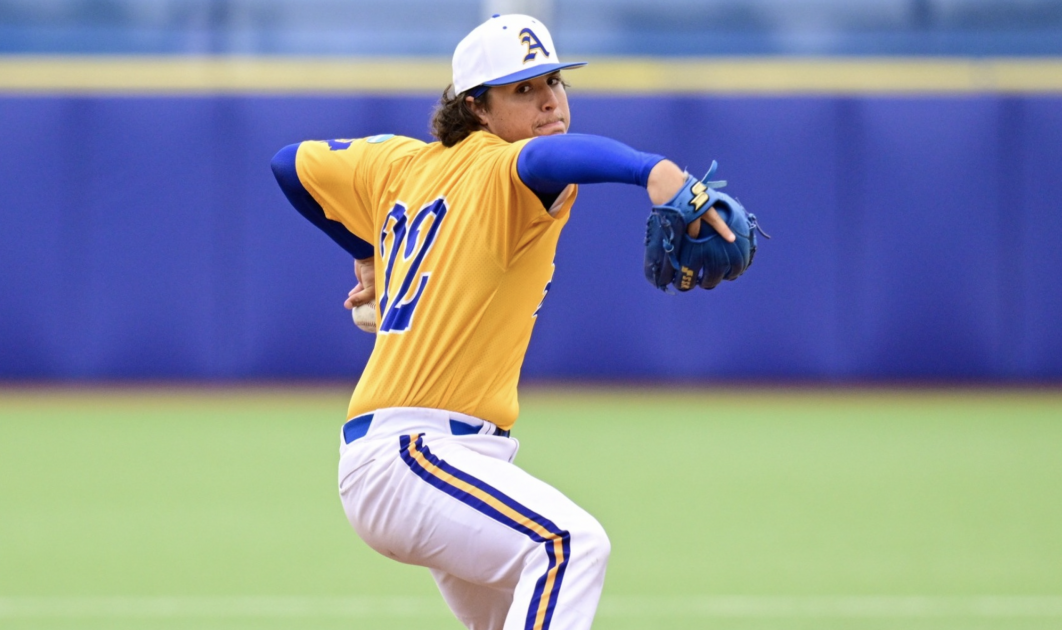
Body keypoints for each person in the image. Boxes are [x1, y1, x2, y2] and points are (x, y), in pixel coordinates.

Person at [271, 13, 734, 630]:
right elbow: (546, 158)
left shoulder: (400, 165)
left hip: (447, 460)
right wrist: (653, 169)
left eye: (554, 82)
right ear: (477, 108)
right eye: (523, 89)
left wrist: (366, 251)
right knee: (568, 544)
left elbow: (290, 165)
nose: (549, 101)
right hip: (412, 454)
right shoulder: (503, 168)